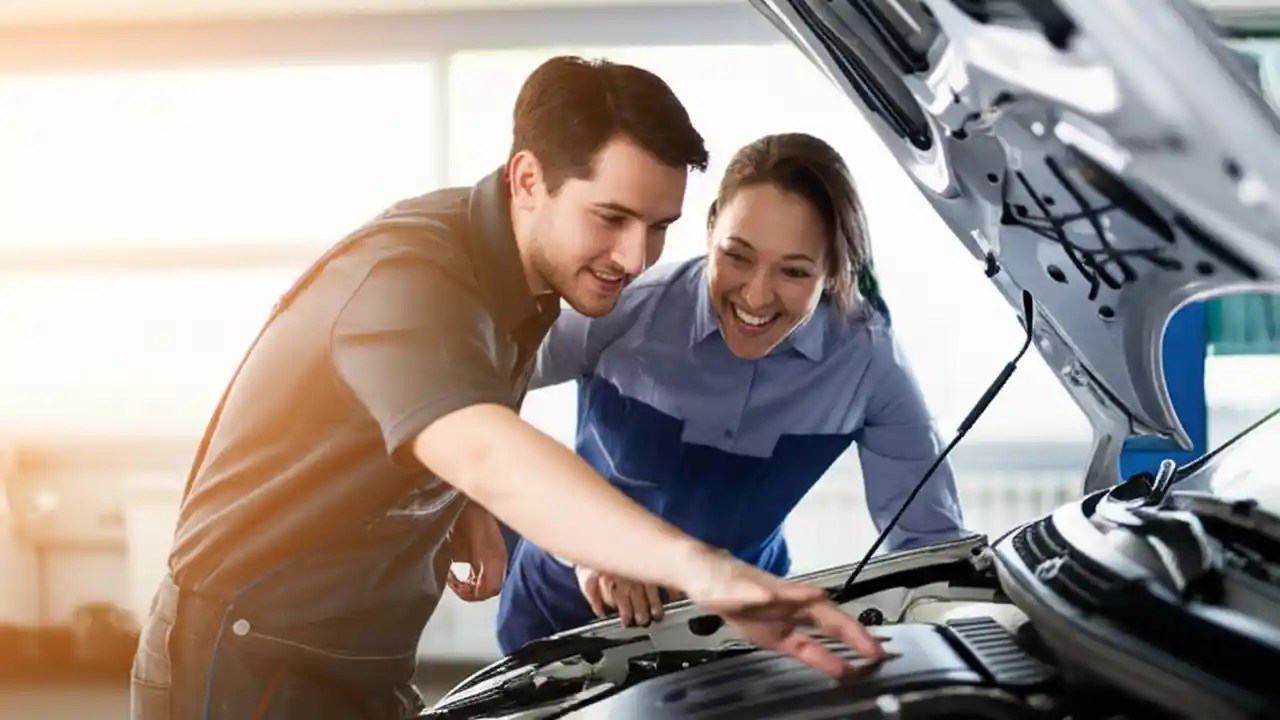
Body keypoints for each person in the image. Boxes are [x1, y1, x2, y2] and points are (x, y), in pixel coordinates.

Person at [129, 59, 883, 720]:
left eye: (658, 226)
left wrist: (464, 505)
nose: (635, 257)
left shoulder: (528, 279)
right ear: (529, 179)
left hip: (364, 652)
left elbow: (440, 430)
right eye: (612, 217)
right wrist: (705, 570)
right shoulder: (409, 280)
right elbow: (488, 450)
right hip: (246, 656)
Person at [496, 132, 966, 653]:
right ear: (711, 223)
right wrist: (563, 540)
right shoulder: (628, 307)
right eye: (738, 256)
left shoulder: (869, 363)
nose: (756, 295)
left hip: (730, 636)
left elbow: (930, 549)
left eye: (794, 271)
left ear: (834, 270)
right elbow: (477, 382)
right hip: (566, 611)